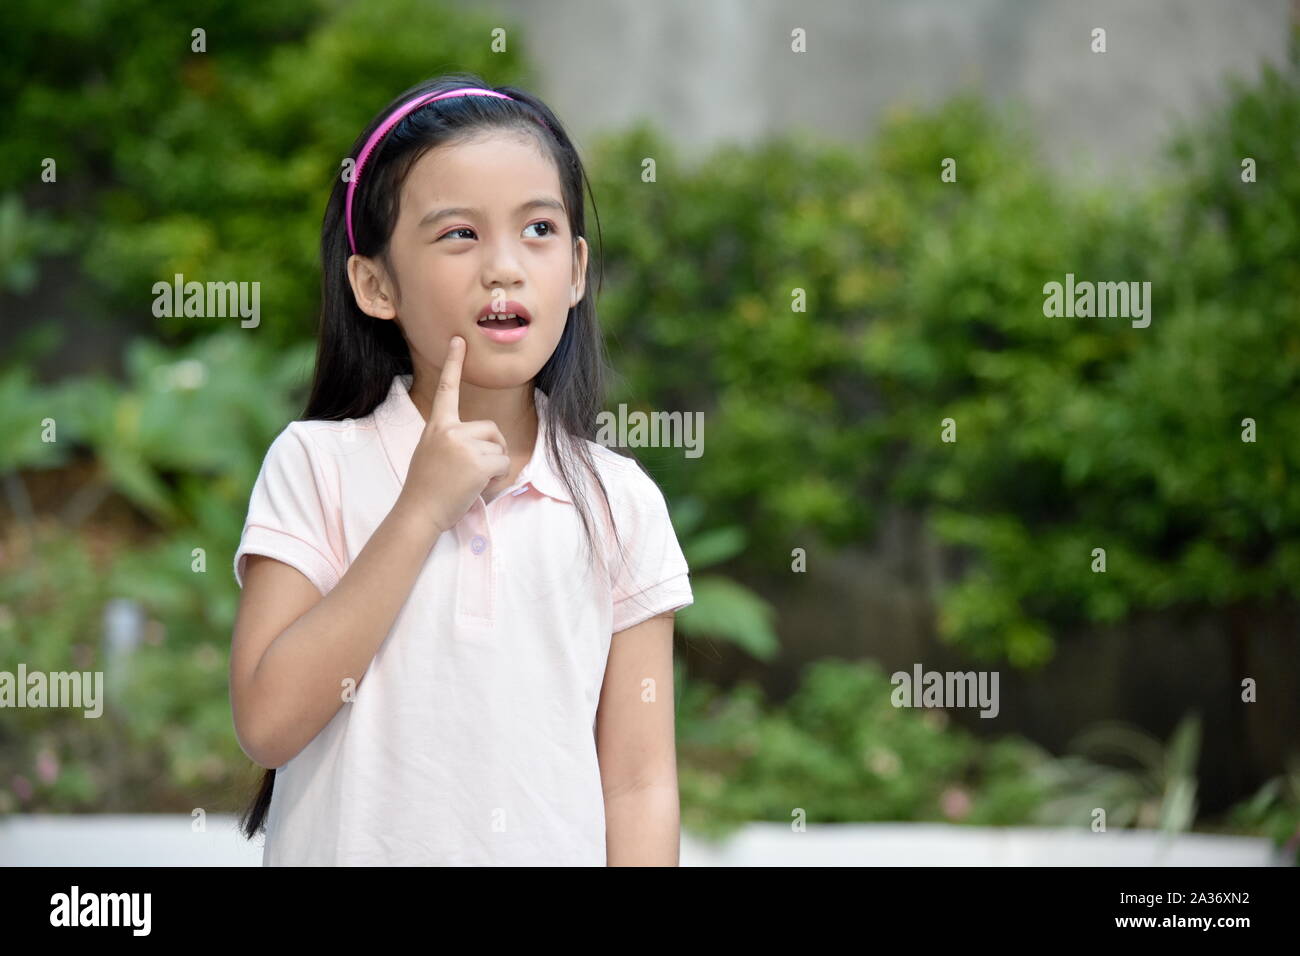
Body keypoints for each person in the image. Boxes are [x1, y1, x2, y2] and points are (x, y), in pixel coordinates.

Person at [228, 73, 694, 865]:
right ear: (376, 284)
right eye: (459, 235)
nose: (505, 267)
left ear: (577, 272)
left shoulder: (621, 504)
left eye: (538, 230)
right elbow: (267, 723)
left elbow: (640, 783)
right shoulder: (317, 466)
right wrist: (418, 512)